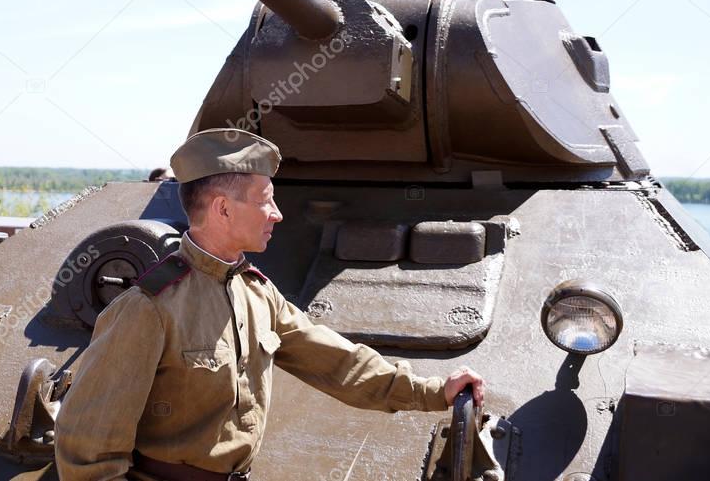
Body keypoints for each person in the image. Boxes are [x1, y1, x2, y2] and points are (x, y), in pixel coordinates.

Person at [56, 128, 485, 481]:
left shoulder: (258, 294)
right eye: (265, 200)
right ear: (223, 209)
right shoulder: (148, 308)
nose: (277, 214)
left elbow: (342, 365)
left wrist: (433, 392)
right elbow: (89, 454)